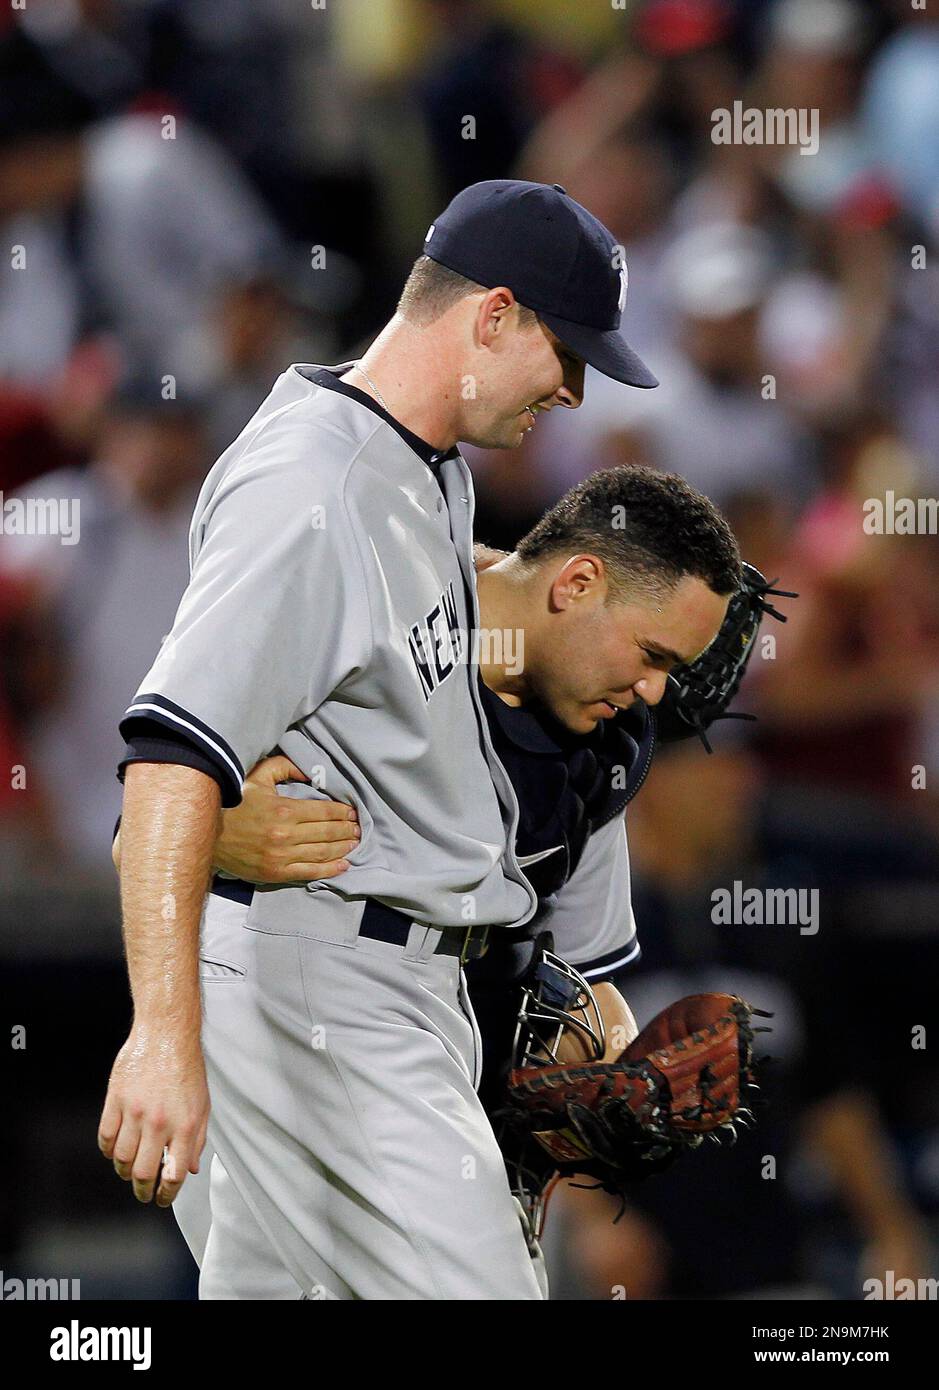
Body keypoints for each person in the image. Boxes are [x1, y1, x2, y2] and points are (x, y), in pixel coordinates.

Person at [99, 178, 663, 1301]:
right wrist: (160, 1033)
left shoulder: (421, 467)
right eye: (566, 349)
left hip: (356, 973)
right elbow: (170, 758)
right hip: (326, 987)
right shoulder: (320, 481)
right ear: (492, 314)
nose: (575, 385)